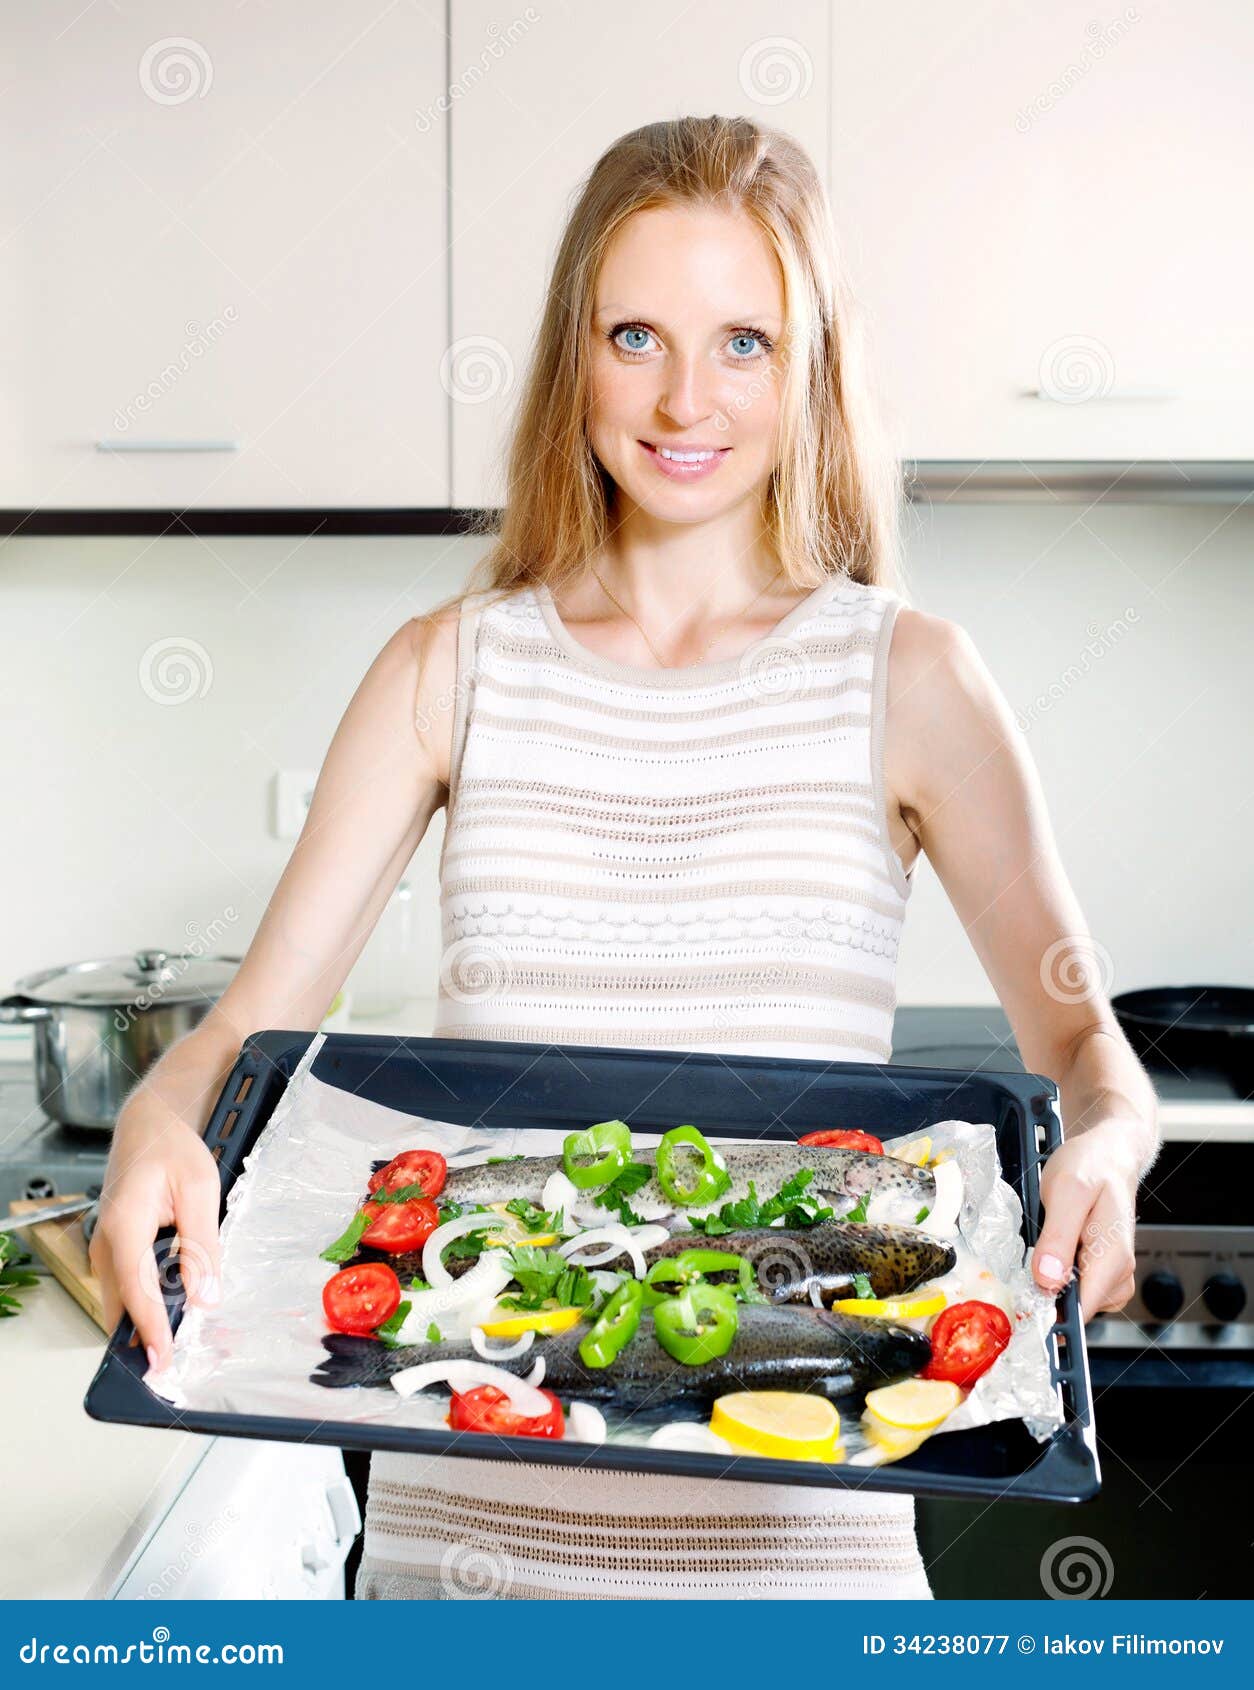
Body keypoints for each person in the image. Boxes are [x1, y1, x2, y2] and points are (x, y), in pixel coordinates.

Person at [91, 116, 1158, 1600]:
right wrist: (158, 1112)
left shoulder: (908, 676)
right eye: (636, 333)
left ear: (811, 370)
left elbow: (1085, 1051)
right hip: (462, 1550)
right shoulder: (446, 669)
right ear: (571, 356)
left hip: (799, 1569)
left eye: (743, 343)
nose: (680, 398)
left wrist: (1109, 1142)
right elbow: (237, 1034)